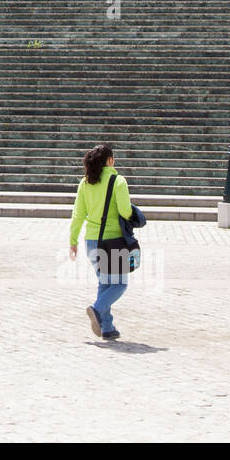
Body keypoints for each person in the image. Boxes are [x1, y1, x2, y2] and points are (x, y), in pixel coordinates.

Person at [69, 143, 135, 340]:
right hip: (113, 240)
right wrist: (134, 214)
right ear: (110, 160)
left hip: (91, 241)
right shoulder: (118, 181)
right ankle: (97, 309)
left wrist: (73, 241)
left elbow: (78, 214)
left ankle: (107, 327)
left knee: (105, 282)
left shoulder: (85, 182)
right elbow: (125, 211)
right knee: (120, 284)